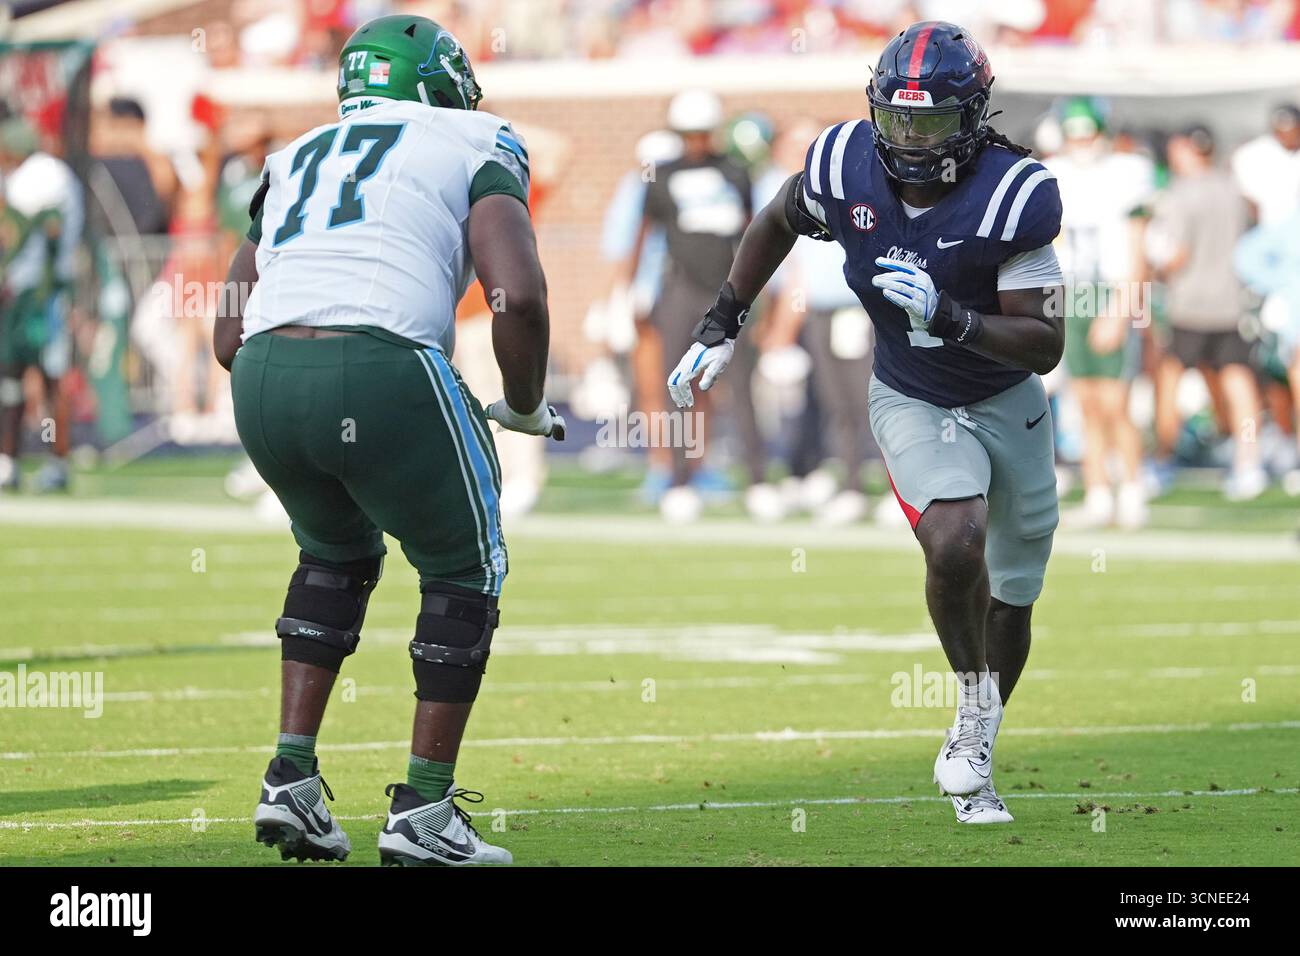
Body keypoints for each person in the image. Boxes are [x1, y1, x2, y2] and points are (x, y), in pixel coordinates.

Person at [668, 21, 1065, 825]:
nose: (911, 140)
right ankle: (970, 699)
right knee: (955, 540)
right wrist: (722, 321)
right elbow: (779, 216)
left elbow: (1046, 344)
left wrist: (958, 319)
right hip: (911, 391)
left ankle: (978, 726)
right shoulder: (844, 159)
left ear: (974, 117)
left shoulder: (1015, 191)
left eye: (931, 122)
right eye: (898, 120)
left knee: (1015, 595)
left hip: (1005, 397)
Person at [213, 14, 564, 866]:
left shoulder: (295, 153)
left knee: (332, 557)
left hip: (262, 374)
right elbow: (515, 295)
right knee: (464, 566)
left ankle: (290, 778)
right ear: (435, 80)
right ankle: (424, 808)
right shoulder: (475, 137)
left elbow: (227, 331)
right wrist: (521, 404)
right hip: (381, 363)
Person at [626, 88, 752, 522]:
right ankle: (679, 479)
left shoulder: (735, 172)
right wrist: (629, 289)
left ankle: (756, 478)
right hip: (680, 289)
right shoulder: (661, 176)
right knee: (677, 383)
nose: (697, 142)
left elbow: (754, 235)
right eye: (690, 134)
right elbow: (644, 233)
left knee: (742, 384)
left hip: (728, 292)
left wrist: (758, 292)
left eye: (703, 133)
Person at [1045, 98, 1153, 529]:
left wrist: (1123, 307)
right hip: (1070, 290)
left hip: (1110, 289)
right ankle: (1097, 491)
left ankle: (1131, 487)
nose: (1081, 144)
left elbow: (1138, 247)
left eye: (1087, 134)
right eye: (1074, 135)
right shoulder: (1054, 170)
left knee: (1116, 399)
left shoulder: (1128, 172)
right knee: (1084, 400)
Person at [1146, 125, 1264, 501]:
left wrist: (1155, 270)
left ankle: (1162, 461)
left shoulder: (1181, 195)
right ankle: (1249, 463)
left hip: (1189, 306)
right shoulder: (1234, 191)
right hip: (1232, 303)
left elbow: (1176, 256)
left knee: (1169, 380)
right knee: (1238, 381)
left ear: (1188, 150)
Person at [0, 118, 83, 494]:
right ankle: (34, 461)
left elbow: (19, 234)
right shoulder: (53, 173)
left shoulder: (36, 176)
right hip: (38, 291)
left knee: (37, 376)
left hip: (38, 293)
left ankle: (38, 461)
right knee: (28, 376)